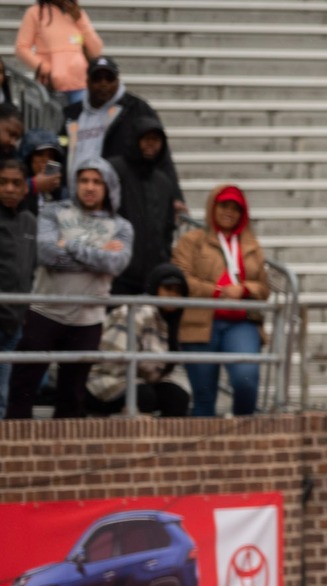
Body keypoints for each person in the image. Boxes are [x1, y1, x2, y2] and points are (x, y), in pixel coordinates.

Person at [7, 156, 127, 418]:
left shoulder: (121, 226)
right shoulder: (53, 212)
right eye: (84, 180)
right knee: (22, 389)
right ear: (75, 183)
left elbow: (115, 263)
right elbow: (48, 255)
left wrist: (70, 246)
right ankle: (15, 451)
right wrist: (96, 253)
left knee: (72, 398)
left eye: (97, 181)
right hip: (44, 312)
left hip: (87, 320)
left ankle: (63, 454)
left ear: (108, 186)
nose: (90, 186)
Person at [172, 183, 267, 418]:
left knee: (246, 380)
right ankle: (203, 452)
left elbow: (264, 288)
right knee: (204, 398)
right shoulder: (192, 241)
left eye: (236, 208)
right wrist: (216, 291)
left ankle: (241, 436)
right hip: (200, 323)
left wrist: (244, 289)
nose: (229, 212)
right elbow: (180, 278)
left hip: (241, 323)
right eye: (224, 205)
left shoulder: (251, 246)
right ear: (212, 207)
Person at [87, 262, 189, 416]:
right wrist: (147, 368)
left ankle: (168, 440)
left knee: (177, 397)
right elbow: (111, 362)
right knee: (144, 395)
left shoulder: (170, 320)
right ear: (155, 288)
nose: (173, 295)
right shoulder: (140, 312)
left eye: (178, 291)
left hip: (141, 380)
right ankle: (140, 439)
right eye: (168, 288)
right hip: (103, 381)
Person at [69, 57, 175, 187]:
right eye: (97, 78)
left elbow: (161, 155)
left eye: (109, 78)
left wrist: (174, 197)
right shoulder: (71, 114)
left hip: (122, 195)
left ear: (118, 81)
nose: (104, 84)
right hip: (75, 195)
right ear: (88, 81)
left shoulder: (137, 109)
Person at [109, 112, 181, 297]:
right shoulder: (115, 169)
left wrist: (163, 258)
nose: (151, 144)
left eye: (156, 140)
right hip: (117, 276)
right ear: (135, 139)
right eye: (146, 138)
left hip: (152, 278)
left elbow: (166, 228)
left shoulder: (163, 182)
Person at [14, 0, 101, 115]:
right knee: (55, 130)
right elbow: (21, 48)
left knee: (78, 129)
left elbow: (96, 50)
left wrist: (79, 19)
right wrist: (44, 67)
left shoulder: (77, 13)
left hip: (80, 85)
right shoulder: (35, 12)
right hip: (51, 86)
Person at [0, 155, 33, 415]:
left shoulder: (29, 222)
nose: (9, 189)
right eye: (3, 182)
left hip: (16, 324)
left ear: (25, 188)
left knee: (6, 395)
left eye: (16, 183)